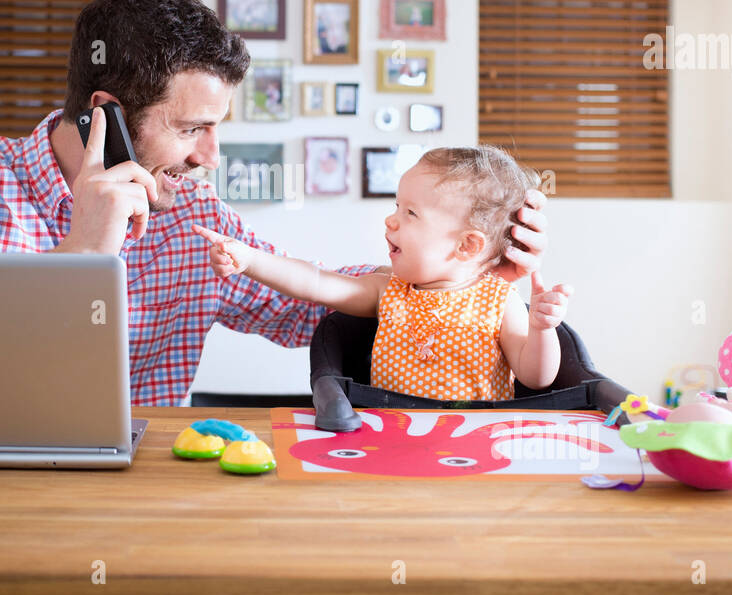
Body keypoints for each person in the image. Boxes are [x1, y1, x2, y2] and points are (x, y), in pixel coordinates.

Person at [0, 0, 550, 406]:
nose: (209, 157)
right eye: (192, 128)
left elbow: (320, 308)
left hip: (134, 503)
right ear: (106, 115)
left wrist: (470, 271)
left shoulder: (192, 219)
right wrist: (78, 255)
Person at [194, 145, 571, 403]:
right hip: (388, 442)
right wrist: (249, 260)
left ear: (467, 246)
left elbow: (536, 377)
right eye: (397, 205)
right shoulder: (387, 290)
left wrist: (541, 328)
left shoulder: (499, 300)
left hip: (473, 447)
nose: (391, 219)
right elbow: (314, 282)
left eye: (411, 213)